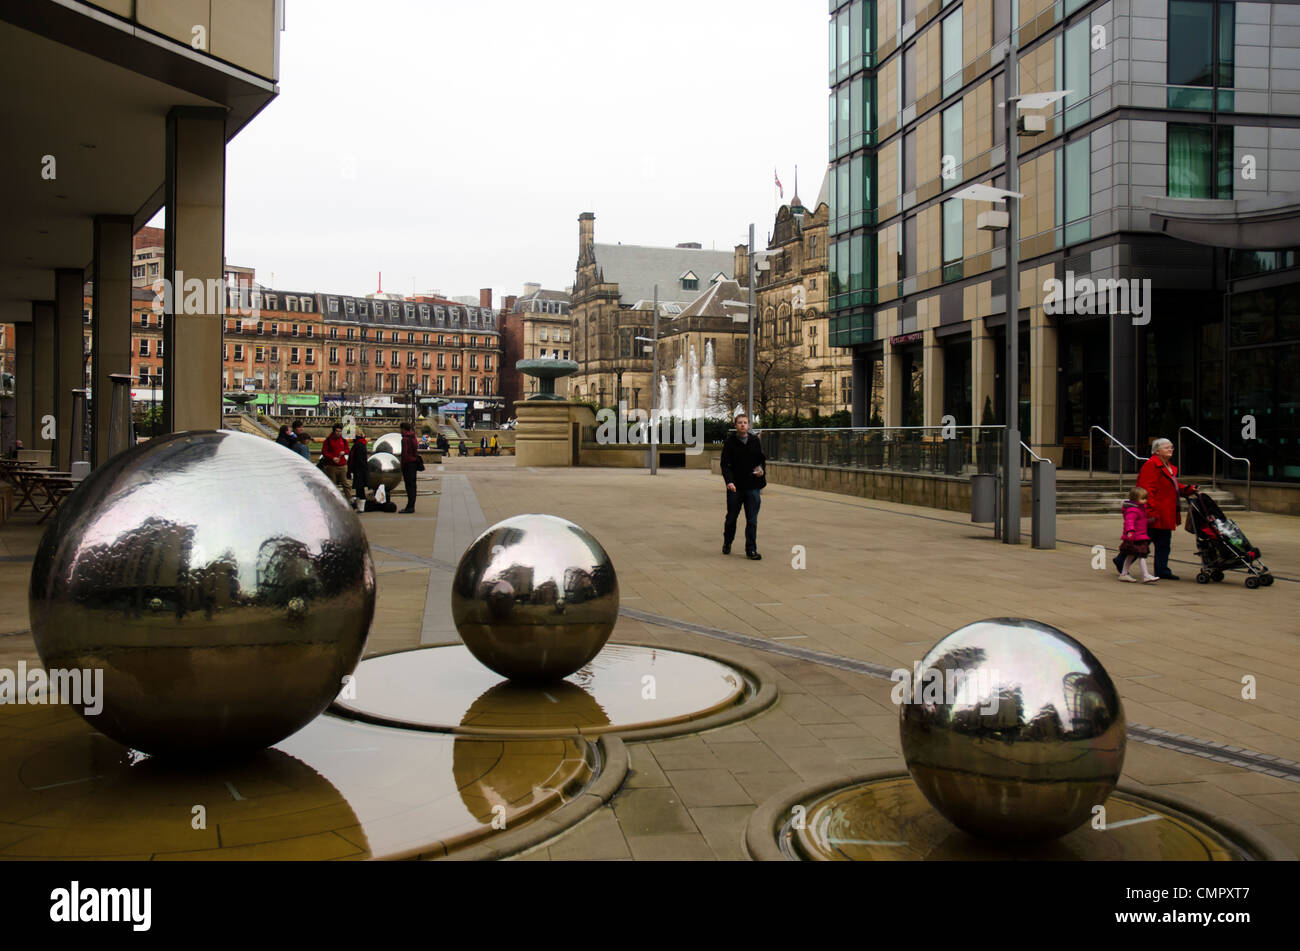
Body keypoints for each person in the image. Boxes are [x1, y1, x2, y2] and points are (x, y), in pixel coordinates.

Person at [1130, 436, 1197, 580]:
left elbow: (1174, 486)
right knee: (1144, 542)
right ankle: (1122, 561)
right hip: (1155, 512)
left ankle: (1162, 569)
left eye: (1171, 447)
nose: (1171, 449)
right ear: (1157, 451)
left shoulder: (1168, 466)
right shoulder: (1151, 465)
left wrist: (1188, 489)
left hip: (1166, 512)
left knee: (1162, 543)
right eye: (1167, 447)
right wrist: (1150, 511)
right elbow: (1146, 490)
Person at [719, 412, 766, 560]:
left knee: (752, 519)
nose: (743, 425)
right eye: (740, 423)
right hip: (735, 487)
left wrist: (761, 470)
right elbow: (725, 464)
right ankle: (728, 542)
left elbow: (760, 460)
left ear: (749, 425)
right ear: (735, 425)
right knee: (732, 518)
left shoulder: (754, 441)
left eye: (745, 422)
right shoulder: (730, 442)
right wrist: (729, 482)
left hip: (752, 486)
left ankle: (751, 549)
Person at [1117, 486, 1157, 583]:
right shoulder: (1133, 510)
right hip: (1136, 536)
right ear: (1135, 499)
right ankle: (1145, 575)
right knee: (1142, 555)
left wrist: (1150, 521)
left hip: (1139, 535)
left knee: (1131, 555)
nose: (1145, 501)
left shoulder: (1140, 508)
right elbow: (1129, 521)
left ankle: (1124, 573)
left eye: (1146, 498)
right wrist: (1130, 531)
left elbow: (1141, 521)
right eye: (1143, 498)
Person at [321, 423, 351, 500]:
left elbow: (347, 450)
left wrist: (344, 452)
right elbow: (324, 451)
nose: (339, 433)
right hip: (331, 466)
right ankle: (334, 500)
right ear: (334, 431)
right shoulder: (328, 440)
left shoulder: (343, 441)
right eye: (337, 431)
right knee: (333, 485)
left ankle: (349, 500)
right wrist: (332, 458)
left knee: (346, 484)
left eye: (340, 431)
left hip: (342, 465)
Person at [399, 421, 420, 513]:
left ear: (403, 428)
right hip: (414, 463)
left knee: (409, 486)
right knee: (413, 485)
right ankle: (412, 505)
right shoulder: (413, 437)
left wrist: (402, 465)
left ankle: (409, 507)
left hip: (408, 464)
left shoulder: (405, 439)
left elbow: (404, 453)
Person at [348, 429, 369, 512]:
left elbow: (359, 459)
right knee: (359, 489)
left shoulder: (359, 445)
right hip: (360, 469)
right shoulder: (360, 444)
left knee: (359, 489)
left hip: (359, 470)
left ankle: (361, 507)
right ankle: (360, 506)